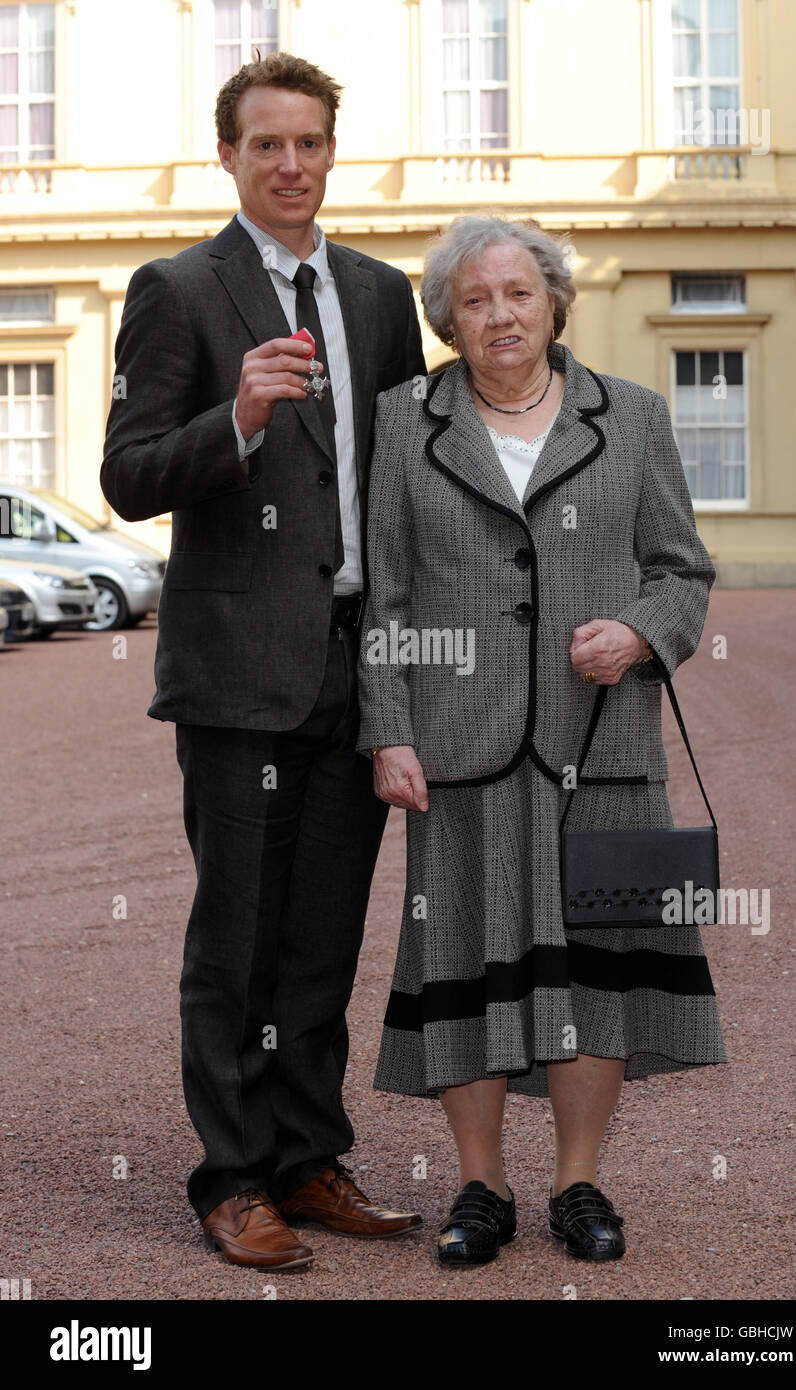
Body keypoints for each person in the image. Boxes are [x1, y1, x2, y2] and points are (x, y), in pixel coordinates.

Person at [101, 53, 427, 1271]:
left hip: (360, 663)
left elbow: (410, 482)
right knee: (235, 938)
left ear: (332, 152)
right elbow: (127, 475)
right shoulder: (178, 289)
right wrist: (234, 418)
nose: (290, 165)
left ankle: (306, 1155)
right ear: (227, 156)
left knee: (324, 938)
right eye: (266, 146)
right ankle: (231, 1177)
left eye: (309, 144)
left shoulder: (383, 294)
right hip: (237, 669)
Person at [357, 213, 727, 1267]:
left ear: (554, 300)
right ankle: (480, 1188)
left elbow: (682, 570)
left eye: (517, 293)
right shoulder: (404, 421)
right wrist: (388, 730)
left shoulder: (637, 417)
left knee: (596, 973)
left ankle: (578, 1181)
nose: (499, 315)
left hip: (602, 747)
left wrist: (643, 633)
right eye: (474, 301)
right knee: (459, 963)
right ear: (449, 321)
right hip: (457, 752)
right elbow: (383, 596)